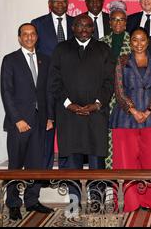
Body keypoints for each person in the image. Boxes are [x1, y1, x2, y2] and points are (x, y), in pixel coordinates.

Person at [48, 14, 115, 201]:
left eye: (88, 26)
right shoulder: (61, 49)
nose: (84, 29)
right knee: (72, 162)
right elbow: (54, 82)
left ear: (93, 29)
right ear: (73, 28)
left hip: (96, 115)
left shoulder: (103, 49)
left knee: (96, 161)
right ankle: (73, 203)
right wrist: (69, 105)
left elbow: (110, 82)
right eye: (80, 25)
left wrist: (97, 104)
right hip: (69, 116)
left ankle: (97, 202)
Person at [0, 23, 54, 220]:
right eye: (25, 34)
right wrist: (17, 119)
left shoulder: (45, 60)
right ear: (19, 38)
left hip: (40, 122)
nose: (29, 37)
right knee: (16, 164)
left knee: (36, 164)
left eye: (32, 34)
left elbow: (48, 90)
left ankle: (32, 200)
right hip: (19, 124)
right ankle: (13, 203)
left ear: (37, 37)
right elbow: (6, 92)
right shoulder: (10, 60)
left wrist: (50, 117)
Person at [109, 28, 151, 212]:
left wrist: (149, 111)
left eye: (142, 40)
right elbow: (119, 90)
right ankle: (129, 202)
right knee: (126, 163)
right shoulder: (122, 61)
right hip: (125, 119)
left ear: (148, 42)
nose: (139, 43)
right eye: (135, 40)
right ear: (130, 42)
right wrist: (133, 110)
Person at [31, 0, 74, 169]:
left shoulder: (76, 23)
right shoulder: (38, 24)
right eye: (55, 1)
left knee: (68, 135)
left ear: (67, 3)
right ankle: (45, 174)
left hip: (70, 88)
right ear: (50, 3)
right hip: (46, 88)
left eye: (63, 1)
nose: (59, 4)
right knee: (47, 134)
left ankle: (67, 175)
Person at [100, 1, 132, 169]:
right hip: (106, 97)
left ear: (126, 23)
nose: (118, 23)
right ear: (109, 22)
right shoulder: (101, 42)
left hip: (127, 98)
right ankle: (109, 174)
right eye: (114, 19)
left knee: (125, 136)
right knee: (107, 136)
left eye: (121, 20)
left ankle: (125, 170)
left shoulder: (134, 43)